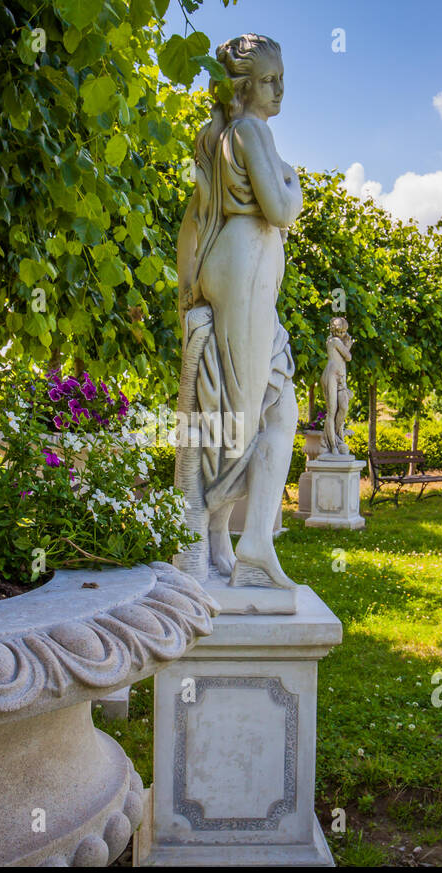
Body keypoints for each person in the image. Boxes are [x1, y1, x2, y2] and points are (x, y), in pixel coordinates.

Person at [174, 34, 301, 589]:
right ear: (246, 88)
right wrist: (294, 183)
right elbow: (281, 209)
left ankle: (223, 539)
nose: (280, 90)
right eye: (271, 81)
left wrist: (189, 292)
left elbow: (192, 226)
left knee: (241, 407)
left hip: (235, 274)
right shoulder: (252, 131)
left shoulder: (217, 138)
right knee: (258, 413)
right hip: (245, 276)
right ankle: (247, 544)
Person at [321, 315, 353, 457]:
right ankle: (333, 445)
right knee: (332, 410)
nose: (342, 334)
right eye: (339, 331)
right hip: (331, 375)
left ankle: (339, 436)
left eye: (344, 331)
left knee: (344, 407)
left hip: (340, 377)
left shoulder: (338, 340)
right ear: (334, 331)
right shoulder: (333, 341)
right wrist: (348, 345)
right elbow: (348, 356)